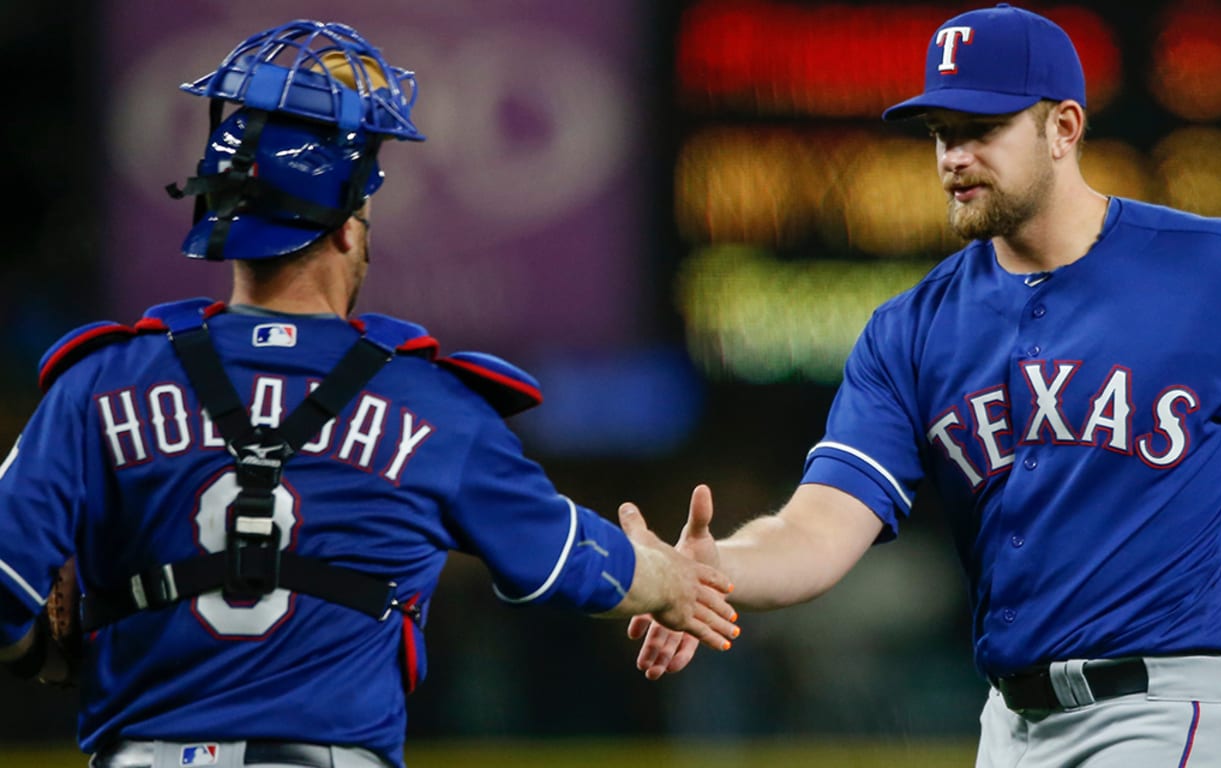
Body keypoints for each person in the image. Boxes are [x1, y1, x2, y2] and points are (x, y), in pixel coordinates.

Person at [628, 4, 1221, 767]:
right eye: (940, 132)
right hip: (1011, 726)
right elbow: (818, 527)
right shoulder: (910, 331)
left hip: (1175, 712)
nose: (953, 156)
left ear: (1063, 128)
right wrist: (718, 568)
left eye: (981, 128)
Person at [0, 20, 737, 768]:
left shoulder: (99, 384)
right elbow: (571, 562)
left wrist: (32, 649)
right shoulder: (433, 406)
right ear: (348, 229)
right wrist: (672, 582)